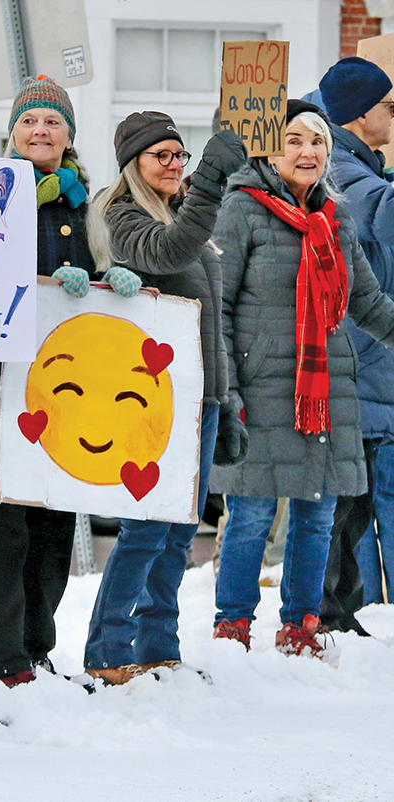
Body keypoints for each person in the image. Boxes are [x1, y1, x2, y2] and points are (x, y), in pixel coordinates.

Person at [0, 76, 126, 688]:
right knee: (1, 530)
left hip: (67, 398)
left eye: (52, 122)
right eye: (29, 123)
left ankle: (36, 648)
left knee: (52, 525)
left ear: (69, 135)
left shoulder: (91, 207)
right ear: (13, 134)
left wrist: (114, 282)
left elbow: (112, 276)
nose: (40, 131)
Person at [210, 99, 394, 658]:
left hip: (326, 390)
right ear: (272, 148)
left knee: (317, 514)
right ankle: (233, 628)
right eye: (294, 140)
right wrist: (227, 387)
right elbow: (217, 304)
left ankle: (300, 628)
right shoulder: (241, 209)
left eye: (317, 141)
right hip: (262, 387)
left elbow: (365, 301)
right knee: (252, 514)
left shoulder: (335, 218)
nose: (308, 151)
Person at [83, 111, 247, 685]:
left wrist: (224, 405)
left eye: (180, 155)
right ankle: (107, 649)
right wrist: (211, 179)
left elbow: (210, 324)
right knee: (148, 527)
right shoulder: (121, 215)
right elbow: (170, 253)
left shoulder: (185, 215)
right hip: (148, 400)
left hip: (199, 399)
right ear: (135, 163)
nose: (175, 165)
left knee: (180, 529)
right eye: (163, 157)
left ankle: (159, 645)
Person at [314, 57, 394, 634]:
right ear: (359, 114)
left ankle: (343, 610)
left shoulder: (359, 165)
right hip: (356, 359)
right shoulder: (342, 171)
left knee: (356, 497)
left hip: (368, 360)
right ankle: (329, 613)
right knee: (343, 501)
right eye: (388, 105)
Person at [356, 442, 394, 605]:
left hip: (356, 439)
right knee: (391, 515)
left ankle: (368, 598)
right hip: (388, 435)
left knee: (359, 521)